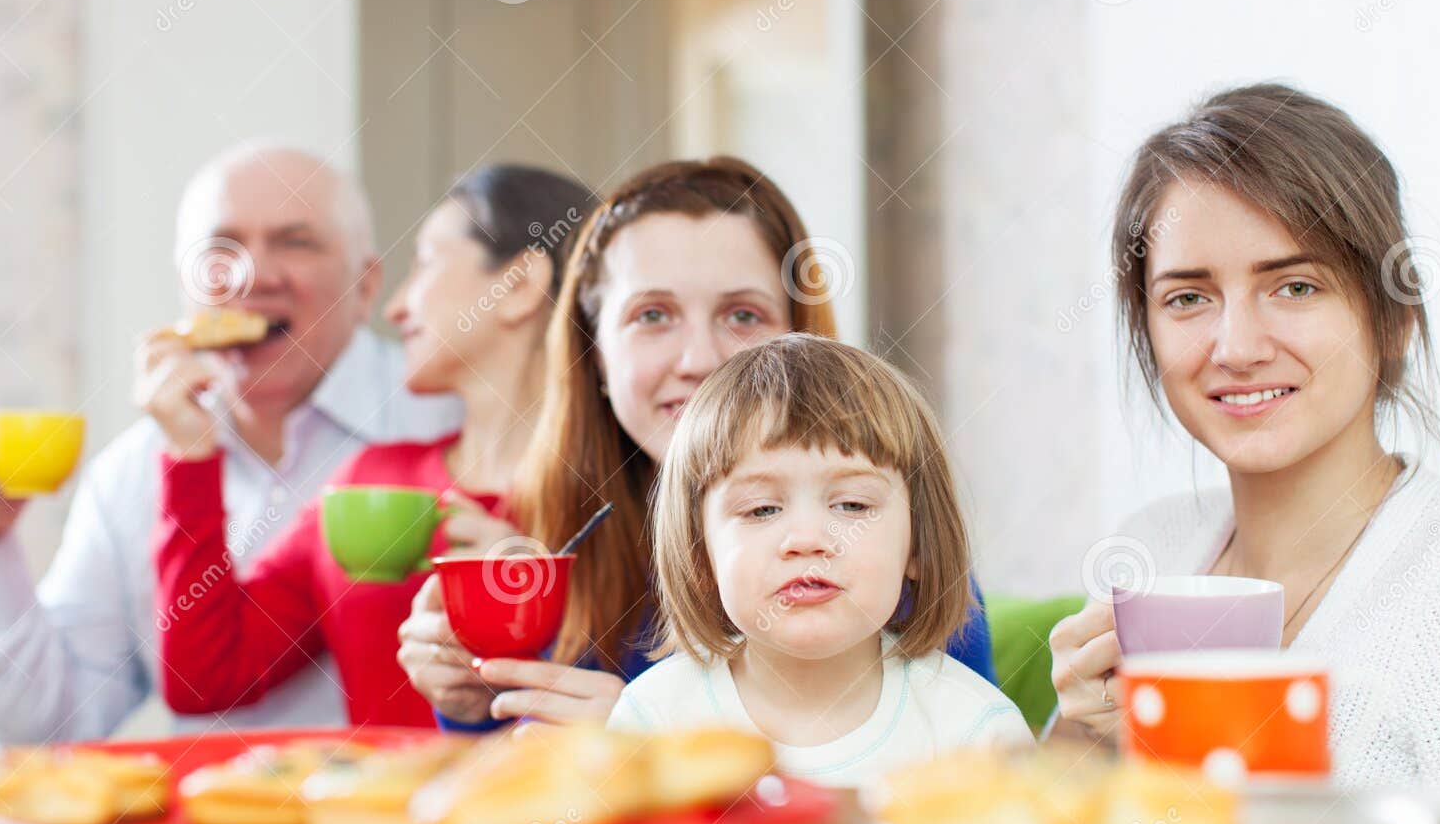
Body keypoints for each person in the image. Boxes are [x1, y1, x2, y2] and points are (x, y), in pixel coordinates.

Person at [399, 157, 996, 729]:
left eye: (742, 315)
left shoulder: (885, 557)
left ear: (801, 344)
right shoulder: (553, 556)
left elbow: (942, 801)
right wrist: (477, 704)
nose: (700, 360)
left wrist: (658, 750)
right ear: (596, 356)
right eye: (653, 315)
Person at [0, 142, 460, 743]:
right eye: (221, 248)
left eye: (295, 241)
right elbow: (48, 732)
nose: (252, 275)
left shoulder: (451, 421)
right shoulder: (131, 475)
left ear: (365, 287)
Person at [1046, 83, 1440, 793]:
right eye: (1188, 298)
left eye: (1295, 287)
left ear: (1396, 320)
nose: (1235, 347)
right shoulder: (1149, 547)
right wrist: (1079, 737)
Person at [149, 165, 593, 726]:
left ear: (519, 286)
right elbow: (201, 678)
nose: (395, 308)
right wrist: (189, 454)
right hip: (372, 812)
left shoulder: (626, 504)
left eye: (426, 264)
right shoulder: (371, 485)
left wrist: (536, 612)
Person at [608, 335, 1030, 786]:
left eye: (851, 505)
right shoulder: (651, 724)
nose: (808, 540)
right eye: (762, 510)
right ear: (699, 555)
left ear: (918, 547)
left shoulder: (978, 733)